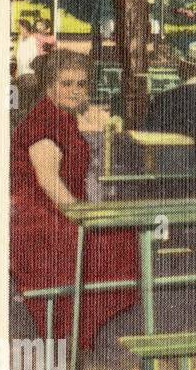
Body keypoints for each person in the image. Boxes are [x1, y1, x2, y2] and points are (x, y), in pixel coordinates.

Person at [11, 50, 139, 349]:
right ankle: (72, 331)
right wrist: (84, 215)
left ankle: (80, 329)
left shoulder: (61, 115)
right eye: (66, 84)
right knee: (111, 240)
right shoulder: (44, 122)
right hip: (40, 216)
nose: (75, 91)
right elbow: (49, 181)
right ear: (49, 85)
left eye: (81, 84)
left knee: (121, 235)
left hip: (55, 209)